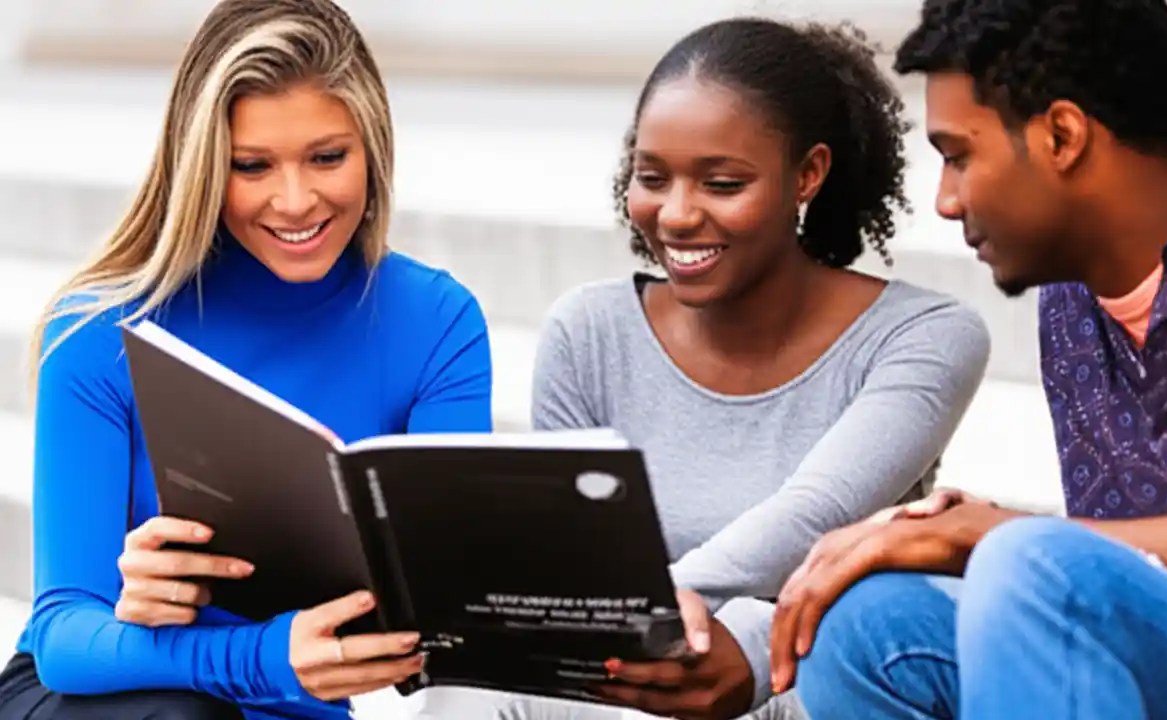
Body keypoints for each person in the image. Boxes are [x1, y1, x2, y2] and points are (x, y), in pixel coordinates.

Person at [769, 1, 1167, 719]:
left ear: (1063, 135)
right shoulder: (1070, 295)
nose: (945, 201)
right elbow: (1112, 577)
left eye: (958, 156)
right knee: (863, 626)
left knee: (1028, 564)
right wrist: (974, 532)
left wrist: (996, 536)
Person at [0, 1, 492, 718]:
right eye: (250, 166)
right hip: (107, 695)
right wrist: (241, 647)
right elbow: (63, 637)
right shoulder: (99, 332)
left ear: (373, 149)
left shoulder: (437, 324)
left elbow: (449, 608)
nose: (295, 201)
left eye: (327, 157)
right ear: (201, 167)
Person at [515, 17, 990, 720]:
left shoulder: (925, 337)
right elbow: (569, 564)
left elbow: (818, 512)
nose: (675, 215)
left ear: (808, 174)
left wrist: (656, 618)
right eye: (652, 177)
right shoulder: (587, 332)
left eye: (722, 182)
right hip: (621, 686)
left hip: (802, 677)